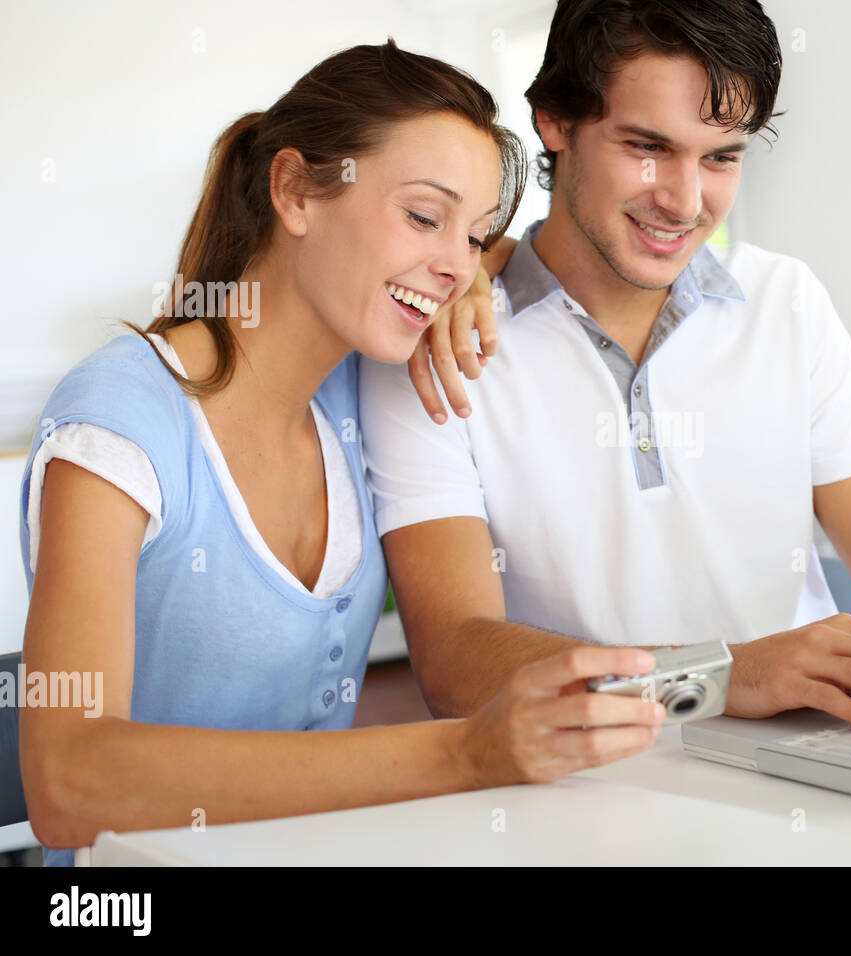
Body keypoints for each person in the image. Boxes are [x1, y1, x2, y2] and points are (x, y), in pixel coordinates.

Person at [18, 38, 664, 868]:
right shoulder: (117, 423)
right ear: (293, 189)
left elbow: (528, 253)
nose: (452, 262)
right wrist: (465, 752)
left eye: (473, 235)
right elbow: (66, 782)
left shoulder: (355, 389)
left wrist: (464, 262)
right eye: (424, 216)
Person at [361, 1, 851, 732]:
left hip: (810, 765)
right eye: (648, 148)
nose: (686, 201)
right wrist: (720, 675)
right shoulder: (439, 345)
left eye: (722, 156)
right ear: (555, 121)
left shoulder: (786, 300)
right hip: (584, 798)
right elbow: (455, 659)